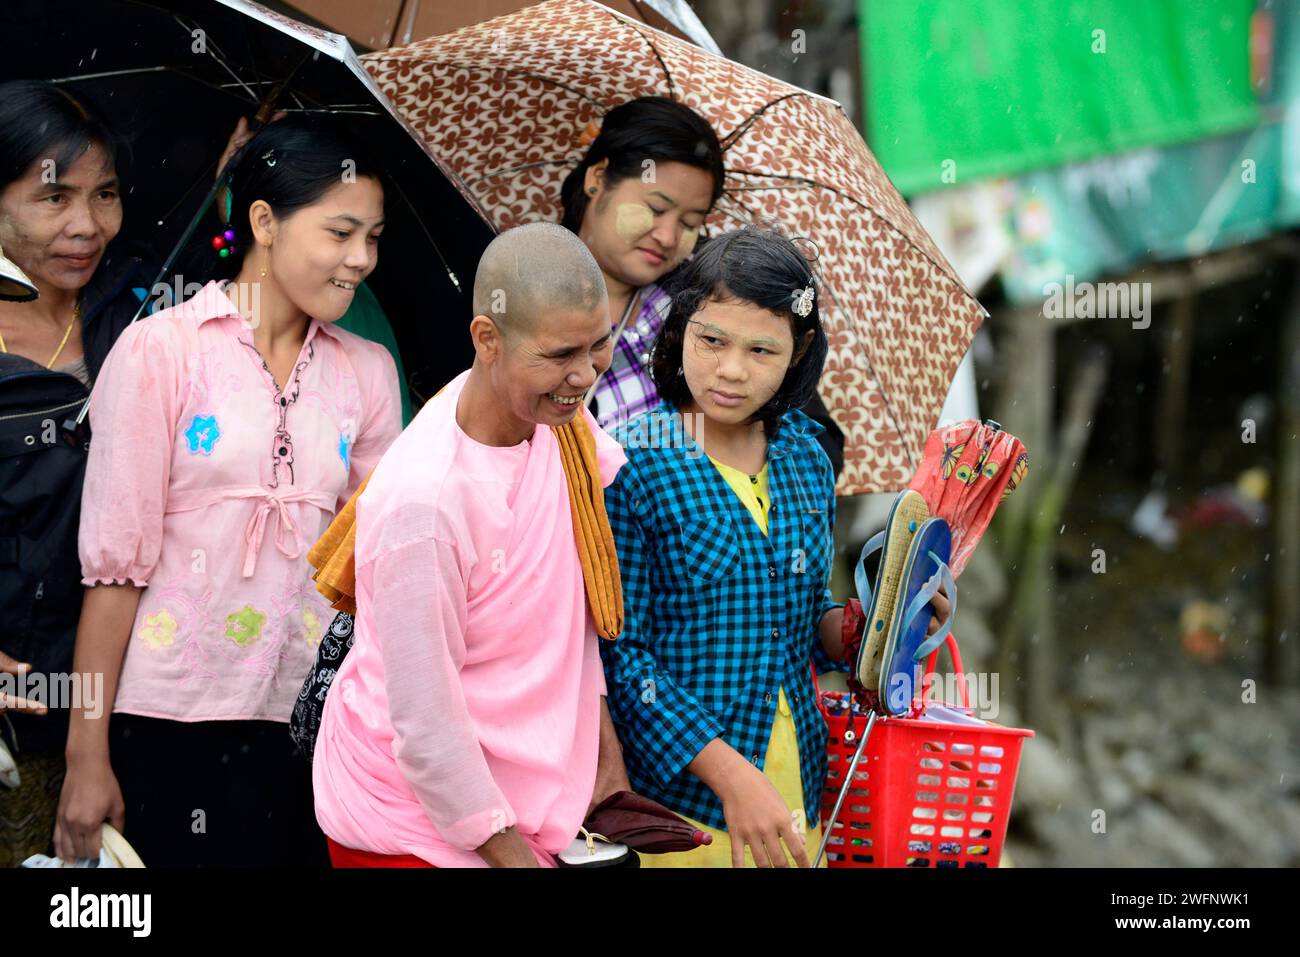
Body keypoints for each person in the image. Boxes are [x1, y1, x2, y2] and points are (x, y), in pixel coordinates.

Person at [54, 116, 402, 867]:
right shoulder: (162, 350)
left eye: (372, 237)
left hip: (309, 720)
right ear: (265, 222)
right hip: (165, 715)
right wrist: (87, 753)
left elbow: (372, 562)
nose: (361, 259)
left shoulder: (367, 370)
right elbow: (114, 571)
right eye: (341, 233)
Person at [600, 227, 947, 867]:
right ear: (679, 331)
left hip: (799, 796)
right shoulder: (628, 462)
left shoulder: (807, 460)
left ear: (800, 350)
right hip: (684, 814)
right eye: (712, 340)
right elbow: (622, 658)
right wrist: (733, 779)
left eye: (762, 349)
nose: (732, 369)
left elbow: (799, 619)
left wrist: (876, 628)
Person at [312, 223, 630, 868]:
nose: (583, 375)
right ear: (487, 339)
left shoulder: (558, 424)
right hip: (411, 825)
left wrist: (603, 755)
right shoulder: (424, 504)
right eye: (560, 353)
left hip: (532, 803)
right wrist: (507, 854)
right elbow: (425, 725)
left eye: (599, 347)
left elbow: (576, 609)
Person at [0, 80, 156, 867]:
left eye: (105, 195)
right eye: (53, 199)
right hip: (18, 719)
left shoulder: (134, 306)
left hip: (132, 704)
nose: (86, 226)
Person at [561, 96, 845, 475]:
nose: (666, 236)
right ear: (598, 179)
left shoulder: (709, 295)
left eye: (690, 222)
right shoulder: (527, 293)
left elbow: (820, 445)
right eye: (656, 208)